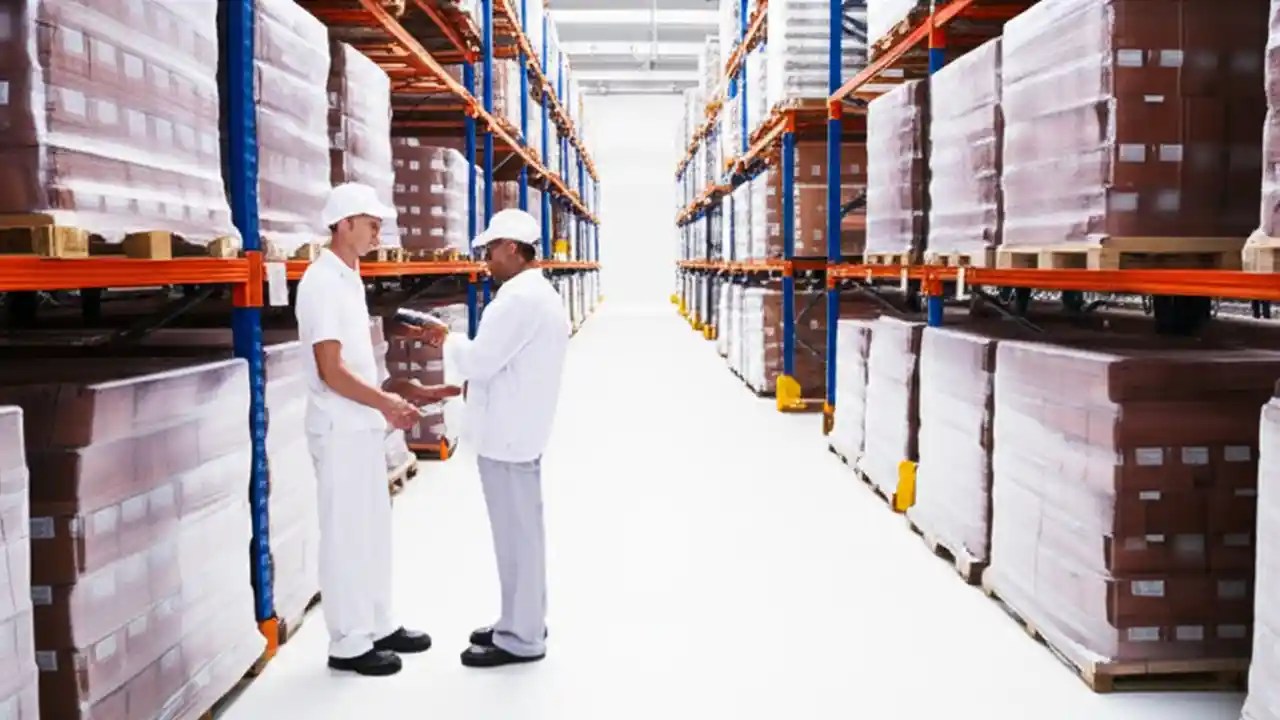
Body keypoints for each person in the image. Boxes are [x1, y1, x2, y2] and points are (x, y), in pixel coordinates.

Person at [295, 182, 460, 677]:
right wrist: (386, 402)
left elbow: (357, 361)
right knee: (345, 534)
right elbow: (331, 367)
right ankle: (347, 641)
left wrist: (396, 391)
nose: (377, 231)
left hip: (360, 426)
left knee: (372, 530)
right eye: (370, 223)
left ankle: (378, 622)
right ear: (344, 223)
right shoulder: (321, 282)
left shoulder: (349, 277)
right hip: (339, 427)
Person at [419, 208, 571, 668]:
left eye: (490, 250)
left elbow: (481, 361)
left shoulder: (518, 300)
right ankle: (520, 619)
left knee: (516, 537)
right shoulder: (533, 294)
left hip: (508, 437)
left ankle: (521, 637)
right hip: (517, 432)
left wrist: (445, 339)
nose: (486, 259)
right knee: (521, 535)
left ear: (511, 248)